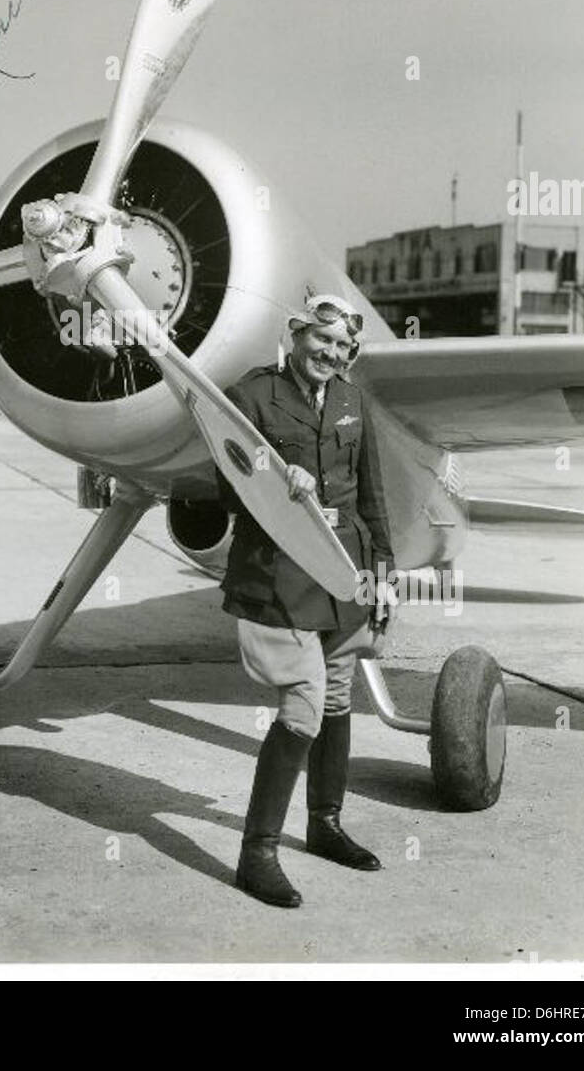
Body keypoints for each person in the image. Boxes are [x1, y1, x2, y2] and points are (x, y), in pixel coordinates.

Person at [218, 293, 397, 908]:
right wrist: (276, 479)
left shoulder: (351, 399)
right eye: (322, 340)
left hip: (343, 573)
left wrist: (384, 576)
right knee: (304, 707)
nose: (332, 353)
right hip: (278, 574)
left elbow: (370, 495)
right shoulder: (252, 394)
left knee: (340, 694)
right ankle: (257, 854)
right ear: (295, 333)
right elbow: (228, 482)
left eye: (344, 346)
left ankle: (324, 826)